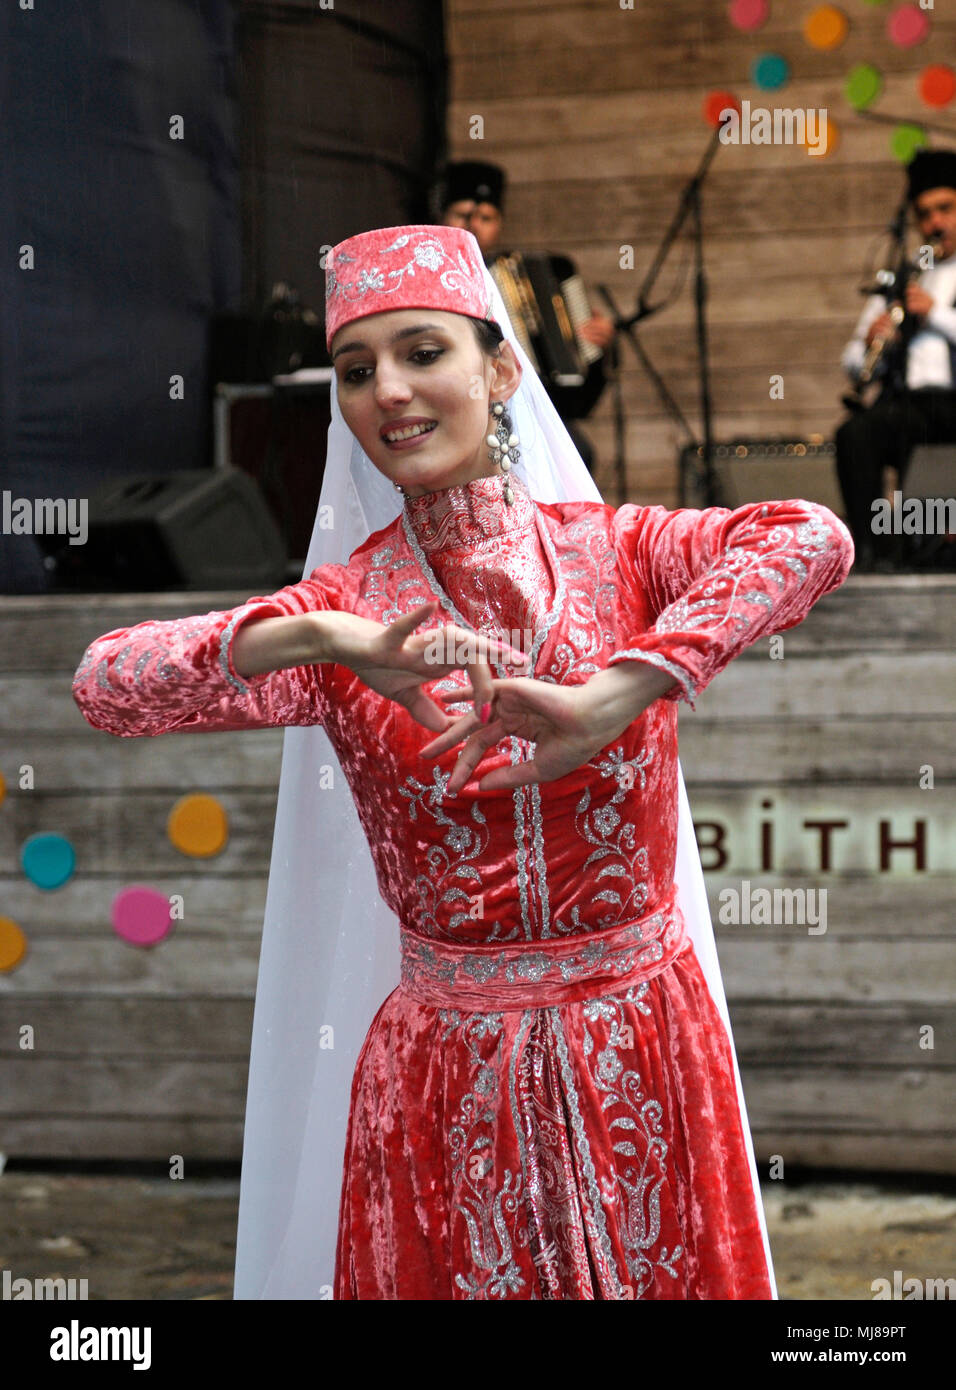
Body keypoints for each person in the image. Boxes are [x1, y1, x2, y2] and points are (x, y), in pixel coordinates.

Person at [72, 223, 853, 1300]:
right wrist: (316, 637)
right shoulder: (346, 614)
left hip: (643, 1046)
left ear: (500, 369)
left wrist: (617, 689)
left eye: (423, 351)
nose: (389, 390)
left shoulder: (616, 550)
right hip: (448, 1084)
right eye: (356, 370)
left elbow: (809, 536)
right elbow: (108, 683)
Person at [438, 160, 614, 474]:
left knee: (576, 449)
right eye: (463, 215)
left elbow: (580, 396)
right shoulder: (432, 276)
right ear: (443, 217)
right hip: (460, 413)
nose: (473, 225)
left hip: (527, 414)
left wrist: (599, 344)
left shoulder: (536, 273)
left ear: (499, 224)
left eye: (486, 218)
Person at [836, 148, 956, 570]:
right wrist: (873, 340)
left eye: (945, 209)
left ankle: (929, 548)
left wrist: (935, 314)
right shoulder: (903, 277)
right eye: (925, 214)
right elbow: (853, 363)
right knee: (856, 434)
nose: (934, 223)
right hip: (911, 406)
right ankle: (872, 554)